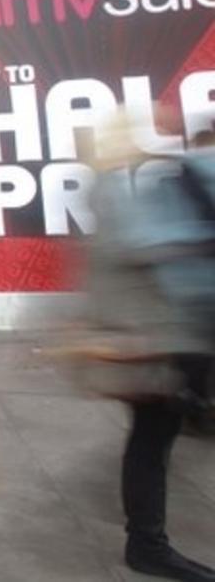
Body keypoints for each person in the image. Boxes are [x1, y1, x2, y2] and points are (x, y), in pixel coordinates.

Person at [83, 113, 215, 582]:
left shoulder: (127, 185)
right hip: (147, 339)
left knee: (153, 439)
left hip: (157, 335)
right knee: (151, 441)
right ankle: (147, 544)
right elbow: (132, 253)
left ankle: (148, 541)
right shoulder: (115, 187)